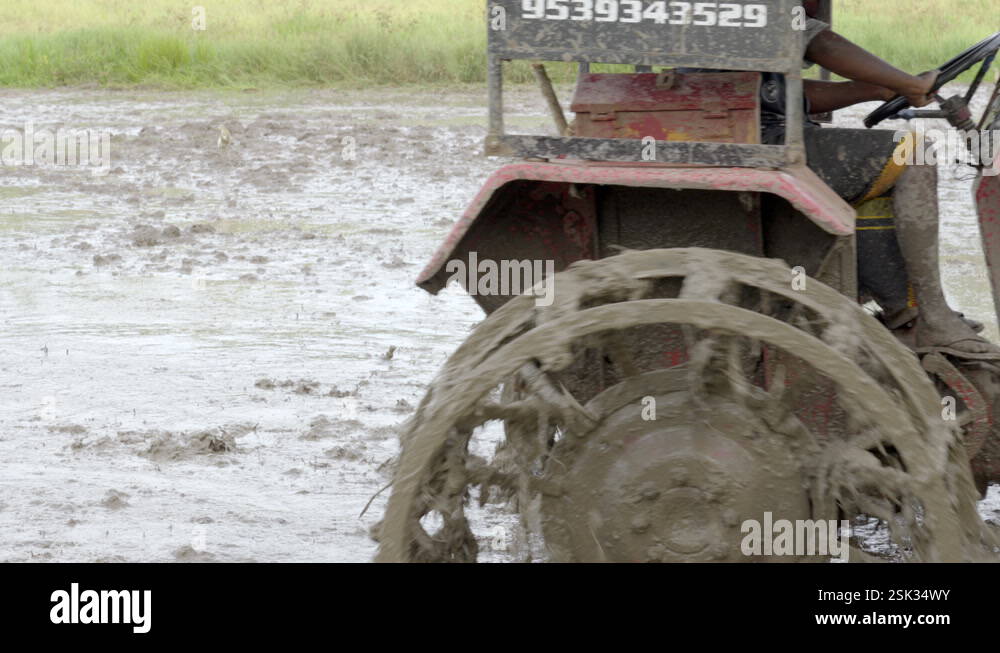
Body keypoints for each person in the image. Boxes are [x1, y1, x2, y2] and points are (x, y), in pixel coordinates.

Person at [774, 4, 998, 356]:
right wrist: (908, 83)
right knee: (913, 154)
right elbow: (822, 44)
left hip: (764, 132)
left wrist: (879, 91)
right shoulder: (766, 11)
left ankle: (903, 314)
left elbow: (789, 97)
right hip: (764, 144)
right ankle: (935, 316)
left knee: (879, 184)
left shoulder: (746, 37)